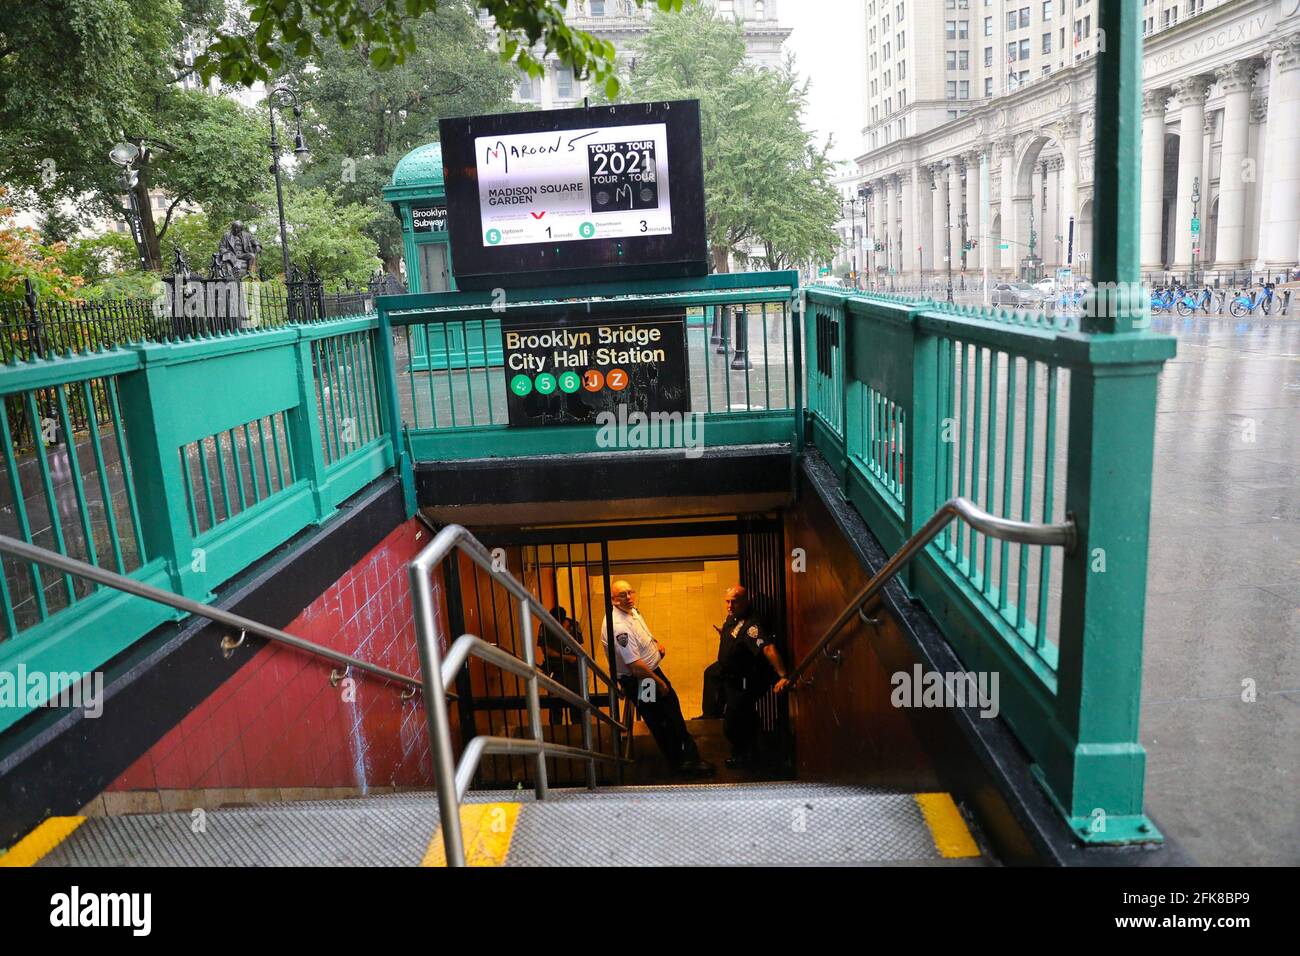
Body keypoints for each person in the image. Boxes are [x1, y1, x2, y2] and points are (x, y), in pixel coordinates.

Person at [601, 580, 714, 776]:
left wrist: (654, 644)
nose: (628, 597)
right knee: (661, 717)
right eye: (622, 595)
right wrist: (659, 683)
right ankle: (682, 763)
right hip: (643, 680)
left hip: (647, 675)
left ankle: (686, 754)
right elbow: (635, 667)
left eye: (630, 592)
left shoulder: (630, 610)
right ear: (613, 600)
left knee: (669, 710)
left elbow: (642, 633)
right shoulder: (619, 627)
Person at [708, 585, 791, 768]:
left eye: (734, 601)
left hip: (742, 681)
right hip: (729, 676)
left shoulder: (752, 626)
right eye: (727, 601)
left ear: (745, 601)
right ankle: (749, 749)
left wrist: (783, 675)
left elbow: (768, 648)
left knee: (734, 721)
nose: (730, 605)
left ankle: (744, 755)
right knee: (742, 714)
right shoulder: (733, 618)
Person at [537, 606, 585, 724]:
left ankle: (578, 728)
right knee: (555, 704)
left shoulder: (574, 625)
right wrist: (566, 657)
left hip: (573, 670)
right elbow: (546, 650)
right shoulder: (545, 626)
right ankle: (556, 729)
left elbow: (579, 649)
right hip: (555, 669)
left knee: (576, 702)